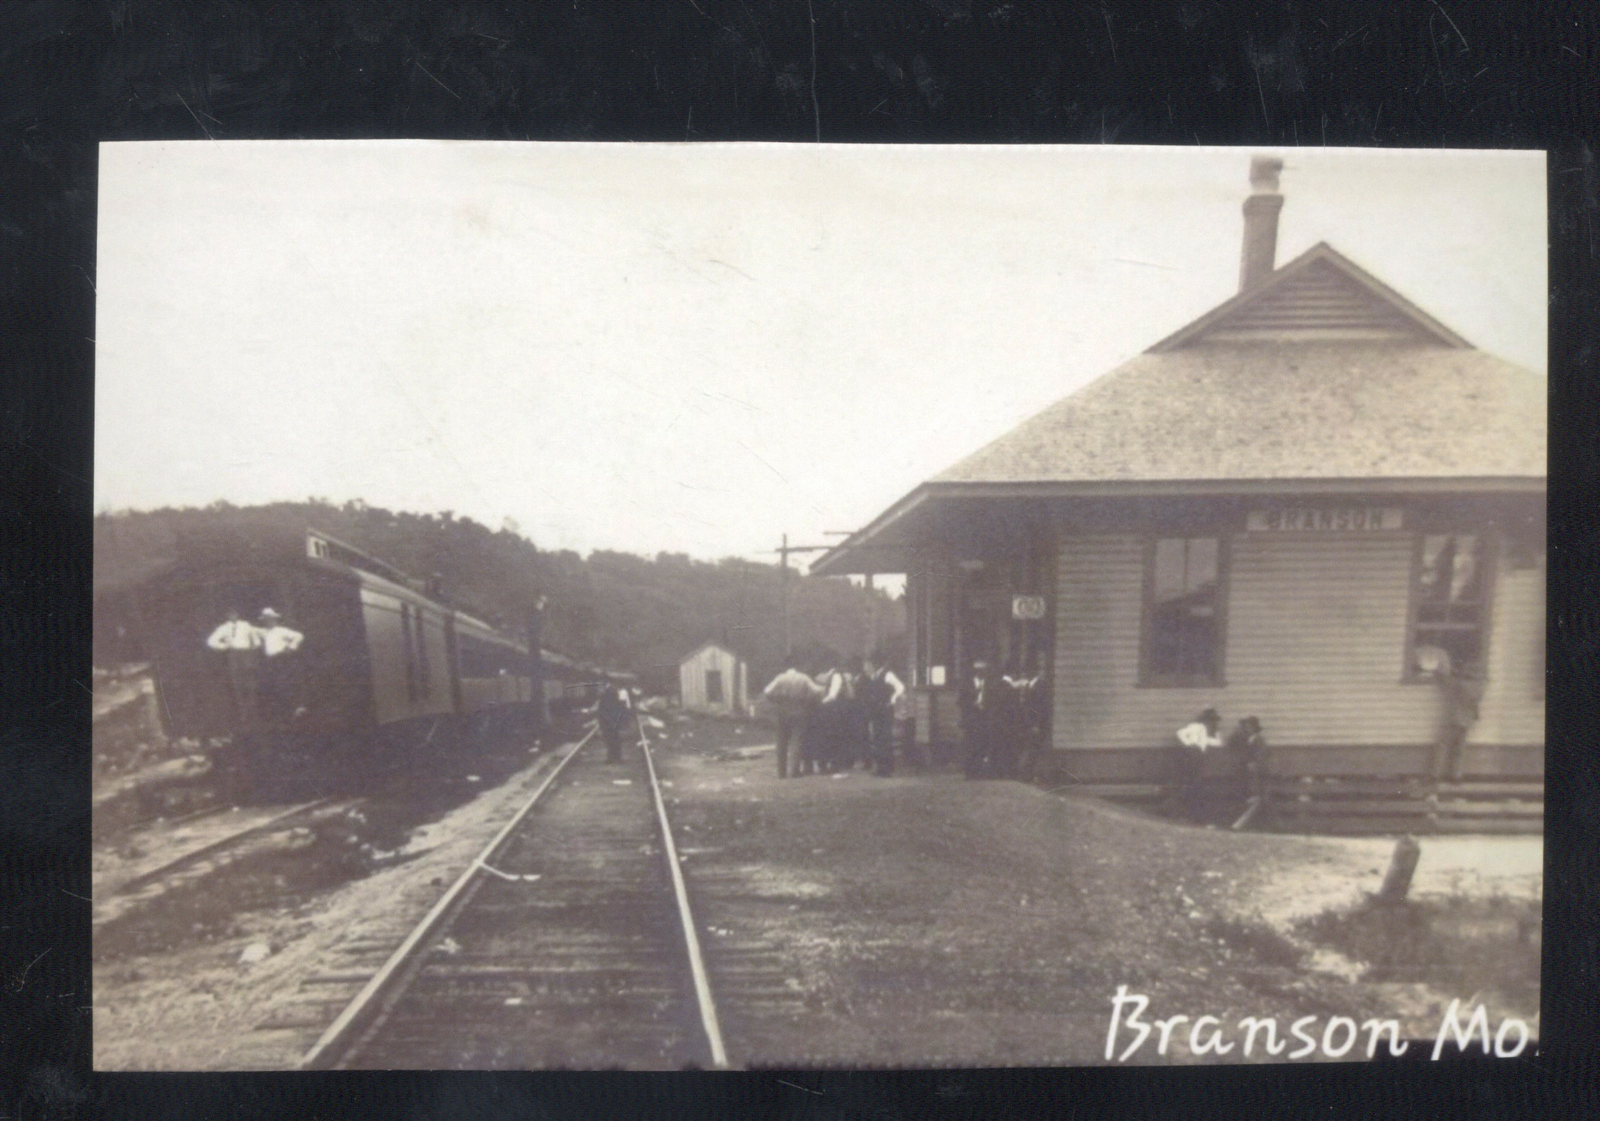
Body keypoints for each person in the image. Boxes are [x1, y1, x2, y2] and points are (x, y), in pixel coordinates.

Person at [762, 662, 824, 778]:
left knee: (781, 742)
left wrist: (776, 700)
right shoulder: (803, 678)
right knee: (797, 741)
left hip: (783, 712)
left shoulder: (780, 678)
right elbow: (816, 691)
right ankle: (794, 771)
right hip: (799, 712)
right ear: (797, 666)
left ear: (785, 667)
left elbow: (767, 691)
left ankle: (781, 772)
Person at [206, 607, 263, 722]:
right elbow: (211, 641)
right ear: (226, 615)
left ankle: (254, 711)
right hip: (233, 655)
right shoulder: (223, 628)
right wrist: (225, 647)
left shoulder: (246, 625)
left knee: (250, 683)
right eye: (229, 613)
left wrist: (251, 650)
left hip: (246, 654)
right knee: (237, 683)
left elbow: (256, 641)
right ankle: (243, 712)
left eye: (234, 613)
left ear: (238, 614)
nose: (232, 615)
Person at [1170, 707, 1223, 821]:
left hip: (1202, 760)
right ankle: (1184, 814)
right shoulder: (1196, 727)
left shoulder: (1210, 732)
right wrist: (1190, 744)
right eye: (1211, 720)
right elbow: (1180, 733)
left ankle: (1195, 814)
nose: (1213, 723)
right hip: (1192, 758)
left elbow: (1218, 744)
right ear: (1206, 720)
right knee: (1191, 786)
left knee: (1199, 787)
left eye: (1214, 720)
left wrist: (1216, 735)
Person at [254, 607, 306, 722]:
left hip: (281, 659)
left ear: (275, 620)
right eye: (266, 620)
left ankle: (295, 709)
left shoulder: (281, 630)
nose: (268, 621)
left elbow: (299, 636)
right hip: (269, 661)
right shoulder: (263, 633)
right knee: (275, 686)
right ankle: (282, 713)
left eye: (270, 619)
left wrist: (291, 648)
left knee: (286, 683)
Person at [859, 657, 906, 777]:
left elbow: (900, 687)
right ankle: (880, 767)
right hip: (876, 710)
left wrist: (893, 699)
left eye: (869, 664)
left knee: (885, 738)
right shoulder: (874, 676)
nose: (867, 667)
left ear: (875, 663)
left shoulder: (887, 674)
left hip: (885, 710)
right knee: (877, 737)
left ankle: (887, 769)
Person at [960, 661, 996, 779]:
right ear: (975, 672)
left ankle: (980, 771)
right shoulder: (967, 684)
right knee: (970, 745)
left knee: (982, 744)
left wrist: (985, 705)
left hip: (984, 719)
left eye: (983, 671)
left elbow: (993, 701)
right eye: (978, 671)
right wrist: (973, 704)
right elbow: (960, 701)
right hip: (971, 719)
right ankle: (970, 772)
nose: (980, 673)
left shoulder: (989, 685)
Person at [597, 681, 631, 763]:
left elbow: (602, 709)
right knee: (615, 739)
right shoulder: (615, 692)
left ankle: (611, 757)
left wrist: (601, 721)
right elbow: (622, 707)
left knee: (610, 740)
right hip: (613, 720)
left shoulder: (606, 693)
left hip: (607, 720)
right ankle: (616, 757)